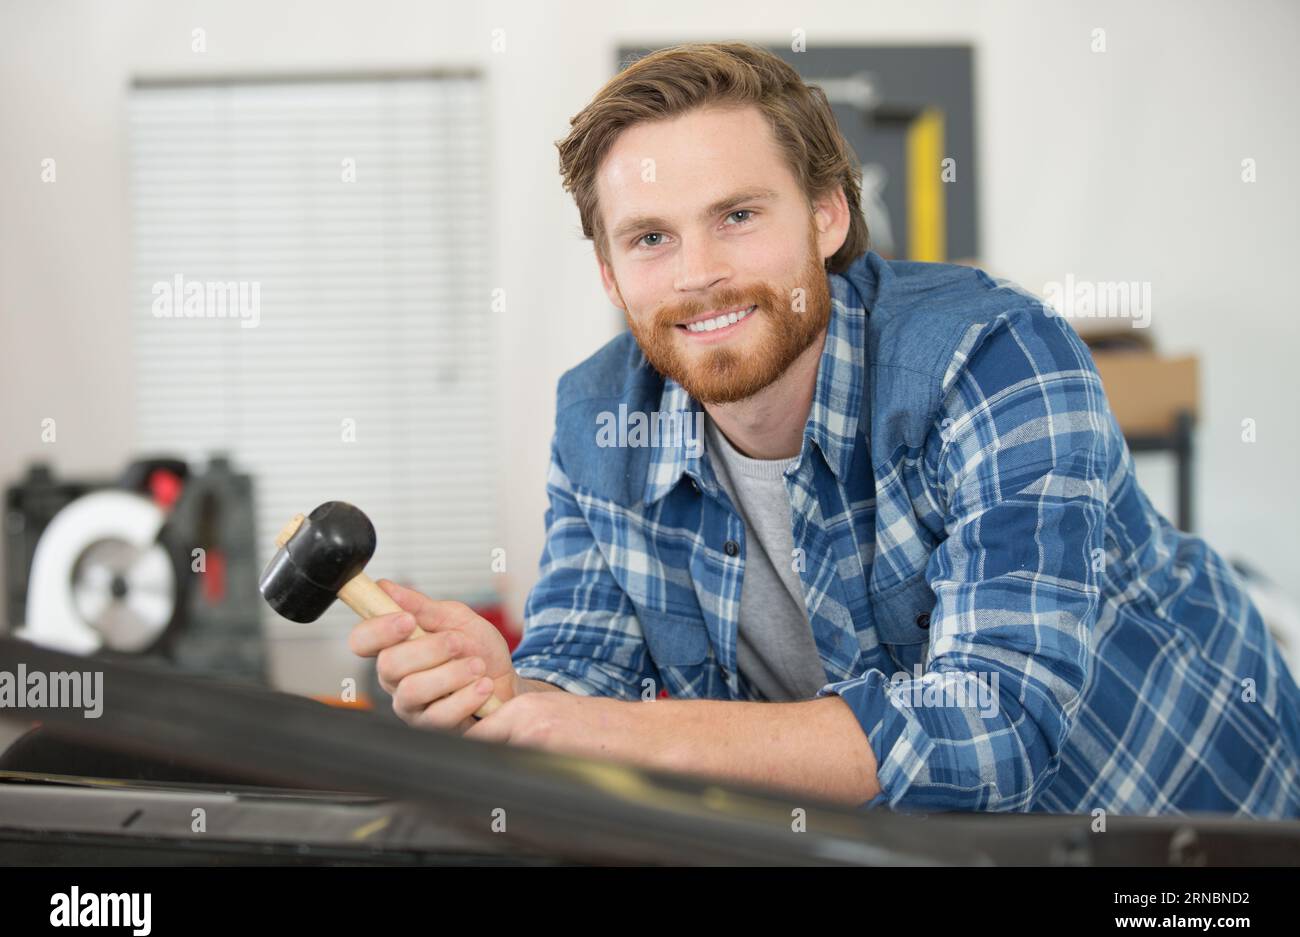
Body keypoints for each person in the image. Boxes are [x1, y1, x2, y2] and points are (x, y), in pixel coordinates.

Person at [349, 42, 1300, 816]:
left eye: (737, 215)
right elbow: (582, 675)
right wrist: (507, 690)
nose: (697, 273)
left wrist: (585, 729)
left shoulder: (993, 355)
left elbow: (994, 729)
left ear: (829, 214)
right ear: (609, 275)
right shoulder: (598, 421)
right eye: (650, 237)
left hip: (1194, 817)